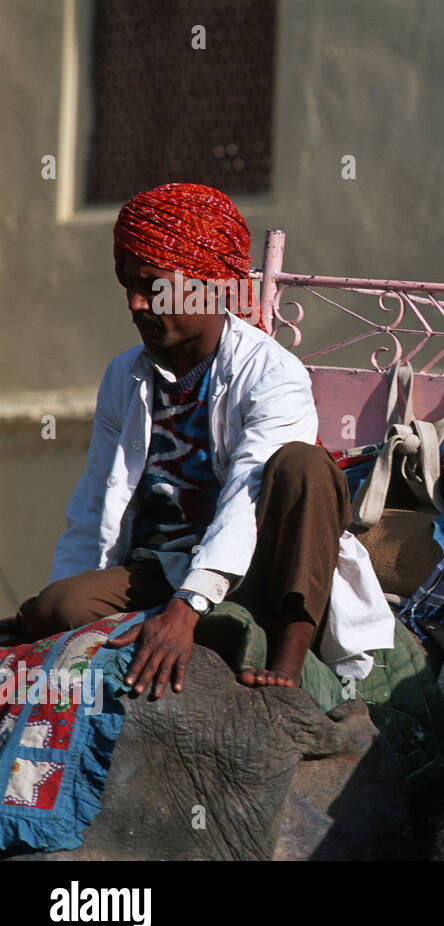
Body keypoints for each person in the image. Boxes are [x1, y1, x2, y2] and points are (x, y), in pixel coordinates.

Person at [1, 183, 392, 696]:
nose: (137, 304)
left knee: (304, 465)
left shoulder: (271, 373)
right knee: (60, 609)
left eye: (152, 286)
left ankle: (289, 661)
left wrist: (185, 612)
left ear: (206, 284)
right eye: (128, 287)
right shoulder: (124, 376)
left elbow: (244, 499)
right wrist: (51, 614)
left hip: (256, 560)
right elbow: (94, 499)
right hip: (164, 565)